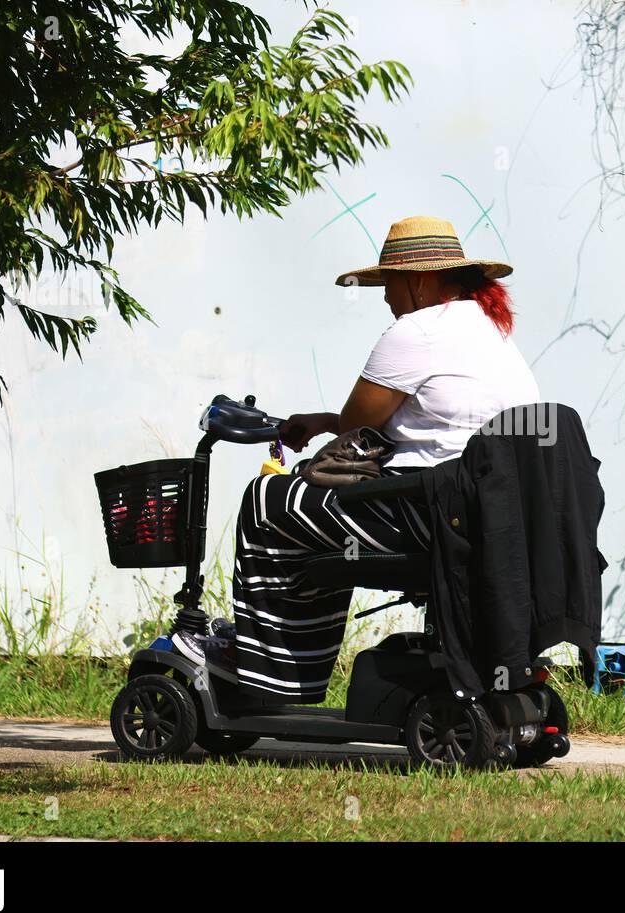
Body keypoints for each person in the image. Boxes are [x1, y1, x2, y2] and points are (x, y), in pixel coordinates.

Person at [172, 216, 541, 704]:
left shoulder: (417, 331)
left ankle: (270, 668)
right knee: (313, 511)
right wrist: (323, 420)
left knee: (268, 499)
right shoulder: (488, 329)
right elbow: (407, 423)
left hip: (425, 513)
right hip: (487, 517)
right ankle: (284, 662)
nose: (386, 298)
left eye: (388, 284)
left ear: (419, 279)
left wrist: (330, 424)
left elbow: (356, 425)